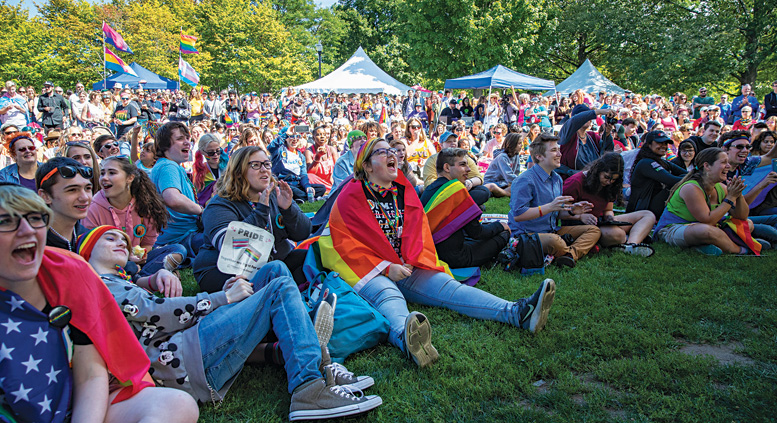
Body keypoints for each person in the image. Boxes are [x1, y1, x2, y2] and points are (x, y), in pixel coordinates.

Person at [80, 225, 382, 421]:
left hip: (195, 340)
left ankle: (320, 366)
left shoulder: (122, 281)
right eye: (109, 238)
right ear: (86, 251)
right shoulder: (96, 283)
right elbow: (155, 312)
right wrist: (220, 299)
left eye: (123, 237)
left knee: (274, 270)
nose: (120, 241)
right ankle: (308, 387)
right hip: (187, 360)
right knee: (277, 289)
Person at [319, 137, 557, 368]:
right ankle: (406, 339)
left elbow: (417, 232)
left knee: (450, 288)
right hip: (368, 270)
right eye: (383, 152)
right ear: (367, 165)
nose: (392, 154)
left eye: (392, 150)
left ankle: (517, 312)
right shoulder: (349, 197)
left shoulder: (403, 191)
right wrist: (385, 268)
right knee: (389, 298)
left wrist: (411, 259)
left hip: (406, 266)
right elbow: (343, 243)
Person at [0, 184, 199, 423]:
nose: (27, 231)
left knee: (178, 405)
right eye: (5, 221)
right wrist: (219, 300)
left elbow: (90, 373)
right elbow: (159, 311)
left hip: (81, 401)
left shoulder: (72, 271)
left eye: (35, 218)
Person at [193, 146, 312, 291]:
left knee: (310, 258)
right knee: (275, 269)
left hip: (272, 261)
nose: (264, 169)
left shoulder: (276, 195)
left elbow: (303, 233)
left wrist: (288, 210)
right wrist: (261, 211)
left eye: (267, 164)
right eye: (255, 165)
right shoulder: (220, 204)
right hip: (226, 270)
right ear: (238, 172)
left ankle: (307, 296)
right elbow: (230, 246)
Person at [84, 156, 187, 283]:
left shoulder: (144, 204)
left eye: (112, 173)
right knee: (129, 267)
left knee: (178, 250)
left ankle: (139, 277)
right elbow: (91, 250)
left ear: (130, 178)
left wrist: (141, 254)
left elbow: (148, 243)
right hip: (108, 263)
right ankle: (146, 278)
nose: (104, 178)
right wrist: (126, 259)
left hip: (136, 261)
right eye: (103, 173)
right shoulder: (94, 208)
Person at [654, 148, 755, 255]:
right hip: (676, 228)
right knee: (706, 231)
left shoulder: (721, 187)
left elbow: (742, 217)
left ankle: (703, 246)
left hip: (708, 227)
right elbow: (708, 221)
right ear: (707, 166)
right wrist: (730, 198)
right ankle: (740, 250)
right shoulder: (691, 188)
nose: (728, 166)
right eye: (723, 162)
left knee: (748, 223)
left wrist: (738, 195)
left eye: (728, 163)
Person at [420, 148, 509, 266]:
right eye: (462, 165)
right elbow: (477, 233)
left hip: (430, 253)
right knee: (503, 234)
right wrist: (501, 226)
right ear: (447, 168)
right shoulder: (456, 191)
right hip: (456, 258)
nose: (469, 169)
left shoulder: (429, 190)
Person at [562, 153, 655, 255]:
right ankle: (630, 238)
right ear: (598, 170)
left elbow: (608, 210)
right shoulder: (576, 182)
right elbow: (560, 213)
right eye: (606, 177)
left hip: (601, 222)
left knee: (648, 215)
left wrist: (610, 218)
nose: (609, 182)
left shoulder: (610, 186)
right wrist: (580, 216)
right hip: (583, 226)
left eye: (613, 179)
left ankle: (631, 244)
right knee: (617, 234)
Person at [151, 122, 204, 258]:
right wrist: (201, 211)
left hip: (185, 235)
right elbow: (172, 198)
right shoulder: (168, 166)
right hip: (182, 238)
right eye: (180, 139)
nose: (187, 142)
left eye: (187, 138)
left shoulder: (173, 166)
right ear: (165, 145)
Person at [626, 130, 687, 219]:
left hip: (651, 207)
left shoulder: (662, 162)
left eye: (665, 143)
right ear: (649, 144)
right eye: (659, 143)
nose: (663, 146)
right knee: (674, 186)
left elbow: (686, 174)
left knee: (684, 180)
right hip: (641, 210)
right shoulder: (646, 163)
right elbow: (672, 181)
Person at [422, 132, 489, 206]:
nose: (453, 143)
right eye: (449, 141)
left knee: (483, 191)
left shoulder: (464, 157)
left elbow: (478, 177)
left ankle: (466, 205)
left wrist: (469, 182)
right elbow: (430, 183)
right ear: (441, 145)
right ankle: (468, 205)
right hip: (441, 192)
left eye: (454, 141)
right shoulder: (433, 159)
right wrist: (455, 187)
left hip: (461, 190)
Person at [267, 126, 326, 202]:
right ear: (286, 138)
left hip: (297, 184)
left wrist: (307, 187)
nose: (295, 139)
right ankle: (305, 197)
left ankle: (302, 197)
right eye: (291, 136)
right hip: (283, 183)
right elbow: (270, 148)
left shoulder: (301, 156)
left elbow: (303, 175)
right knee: (292, 190)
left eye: (297, 136)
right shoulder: (279, 151)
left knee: (321, 188)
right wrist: (286, 134)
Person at [556, 104, 616, 177]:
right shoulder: (567, 135)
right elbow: (573, 121)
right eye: (585, 116)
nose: (587, 119)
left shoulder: (592, 136)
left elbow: (607, 152)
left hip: (592, 180)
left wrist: (607, 134)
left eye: (589, 117)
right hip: (572, 180)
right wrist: (597, 112)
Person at [193, 133, 229, 207]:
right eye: (211, 152)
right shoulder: (200, 172)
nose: (215, 155)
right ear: (202, 152)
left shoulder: (229, 167)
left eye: (218, 151)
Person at [483, 132, 523, 197]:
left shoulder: (516, 155)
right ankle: (506, 193)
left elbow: (516, 172)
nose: (521, 145)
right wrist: (521, 183)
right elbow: (509, 175)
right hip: (493, 181)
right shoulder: (502, 157)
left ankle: (505, 192)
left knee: (519, 186)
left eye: (521, 143)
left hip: (505, 182)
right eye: (519, 143)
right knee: (520, 186)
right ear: (512, 144)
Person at [305, 125, 339, 192]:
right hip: (318, 182)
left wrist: (333, 177)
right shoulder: (309, 152)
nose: (322, 136)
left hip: (331, 181)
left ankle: (332, 188)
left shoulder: (332, 149)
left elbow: (338, 168)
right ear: (313, 137)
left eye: (324, 134)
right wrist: (317, 157)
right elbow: (310, 173)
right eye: (319, 134)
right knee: (309, 177)